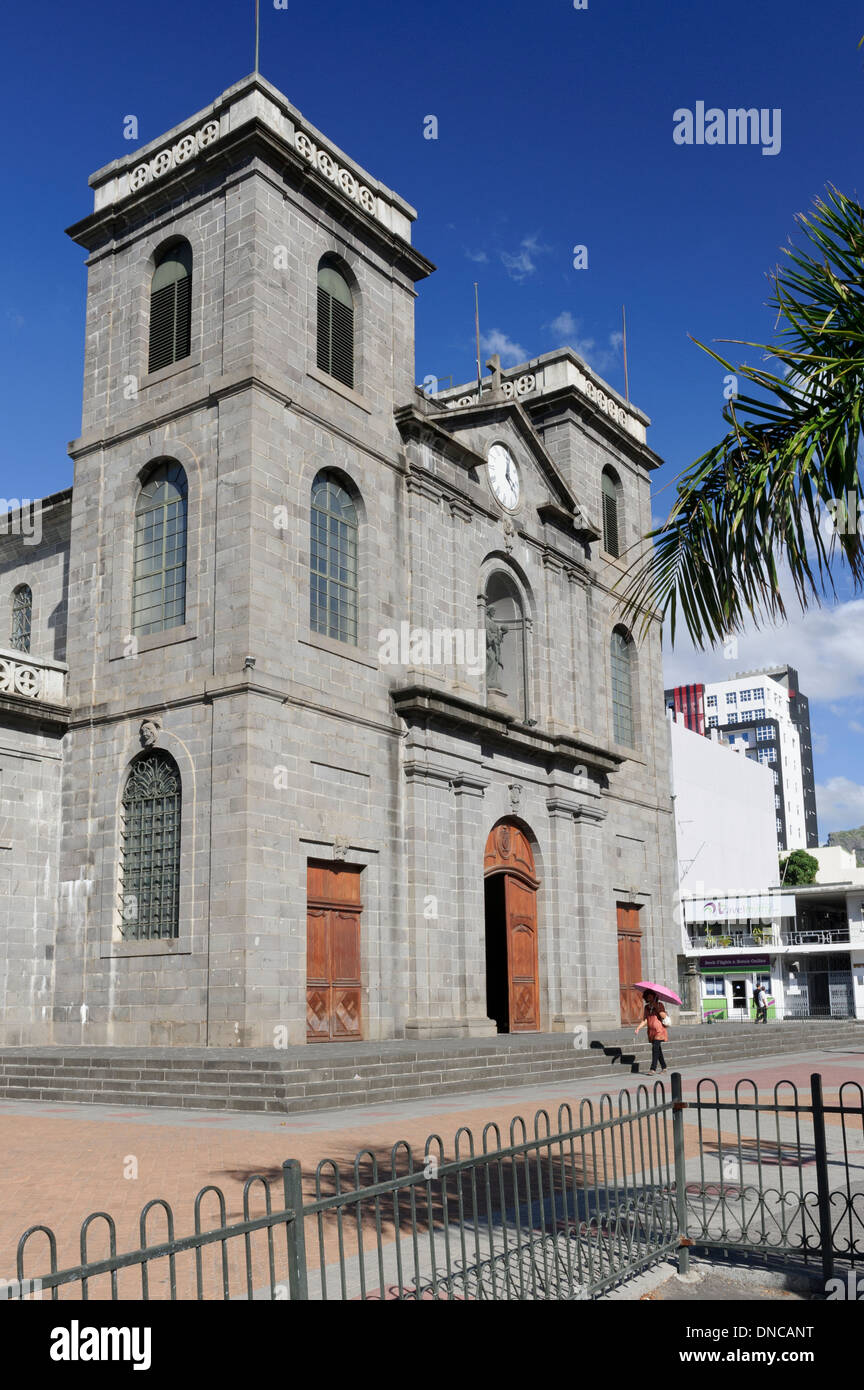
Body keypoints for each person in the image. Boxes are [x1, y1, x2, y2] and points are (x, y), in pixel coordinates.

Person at [634, 990, 669, 1073]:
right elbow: (645, 1020)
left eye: (650, 996)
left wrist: (656, 1007)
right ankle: (664, 1067)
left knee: (655, 1048)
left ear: (654, 996)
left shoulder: (659, 1004)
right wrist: (638, 1028)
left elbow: (663, 1016)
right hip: (651, 1031)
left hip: (659, 1030)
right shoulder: (646, 1007)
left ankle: (653, 1068)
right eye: (647, 996)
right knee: (658, 1049)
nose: (649, 998)